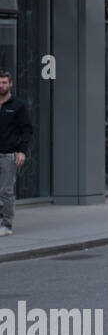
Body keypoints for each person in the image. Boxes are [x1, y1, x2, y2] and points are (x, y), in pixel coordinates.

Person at [0, 70, 33, 235]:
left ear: (10, 84)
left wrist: (22, 151)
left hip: (9, 154)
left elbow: (27, 130)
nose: (1, 85)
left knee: (6, 191)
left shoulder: (18, 105)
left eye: (4, 82)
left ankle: (6, 225)